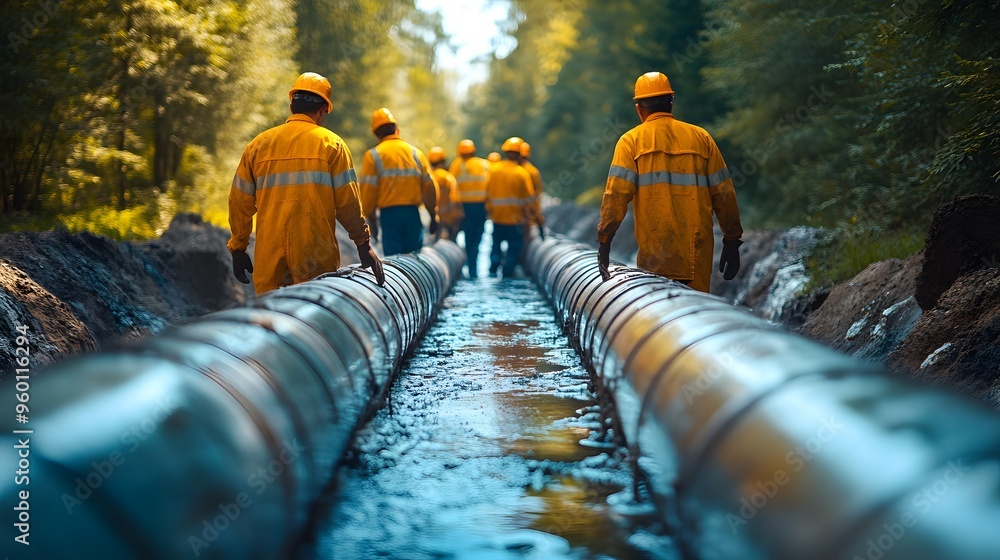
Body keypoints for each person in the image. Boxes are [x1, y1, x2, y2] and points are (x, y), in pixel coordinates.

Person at [227, 72, 384, 294]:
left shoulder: (258, 146)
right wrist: (363, 244)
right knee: (312, 310)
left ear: (292, 104)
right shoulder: (332, 145)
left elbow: (239, 201)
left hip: (270, 258)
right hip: (314, 257)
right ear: (323, 110)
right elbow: (347, 202)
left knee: (271, 312)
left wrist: (238, 247)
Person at [597, 71, 743, 293]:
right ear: (671, 104)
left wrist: (605, 240)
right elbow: (724, 194)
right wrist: (732, 239)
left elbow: (615, 196)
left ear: (639, 108)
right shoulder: (702, 138)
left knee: (659, 310)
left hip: (655, 255)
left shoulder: (630, 142)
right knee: (695, 310)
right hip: (696, 255)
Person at [359, 108, 439, 256]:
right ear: (397, 129)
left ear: (376, 134)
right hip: (412, 214)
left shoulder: (373, 156)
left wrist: (371, 220)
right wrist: (433, 214)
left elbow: (368, 191)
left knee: (394, 261)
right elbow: (429, 187)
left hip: (389, 217)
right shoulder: (416, 153)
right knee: (414, 259)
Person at [486, 137, 535, 278]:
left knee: (496, 244)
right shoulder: (522, 173)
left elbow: (487, 193)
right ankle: (507, 272)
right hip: (515, 220)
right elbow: (529, 200)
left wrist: (489, 211)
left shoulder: (494, 170)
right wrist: (533, 220)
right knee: (514, 248)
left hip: (497, 217)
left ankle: (494, 264)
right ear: (519, 154)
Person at [449, 139, 490, 278]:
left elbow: (452, 189)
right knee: (477, 237)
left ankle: (469, 263)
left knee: (468, 236)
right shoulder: (483, 164)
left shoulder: (456, 165)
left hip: (463, 207)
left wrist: (455, 209)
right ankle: (473, 264)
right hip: (480, 207)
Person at [428, 146, 463, 241]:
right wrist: (458, 213)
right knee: (450, 242)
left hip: (434, 216)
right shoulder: (447, 177)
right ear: (443, 160)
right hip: (449, 216)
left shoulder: (429, 176)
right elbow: (454, 197)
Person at [519, 142, 546, 241]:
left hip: (523, 210)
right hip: (525, 209)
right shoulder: (532, 171)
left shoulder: (526, 171)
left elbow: (535, 194)